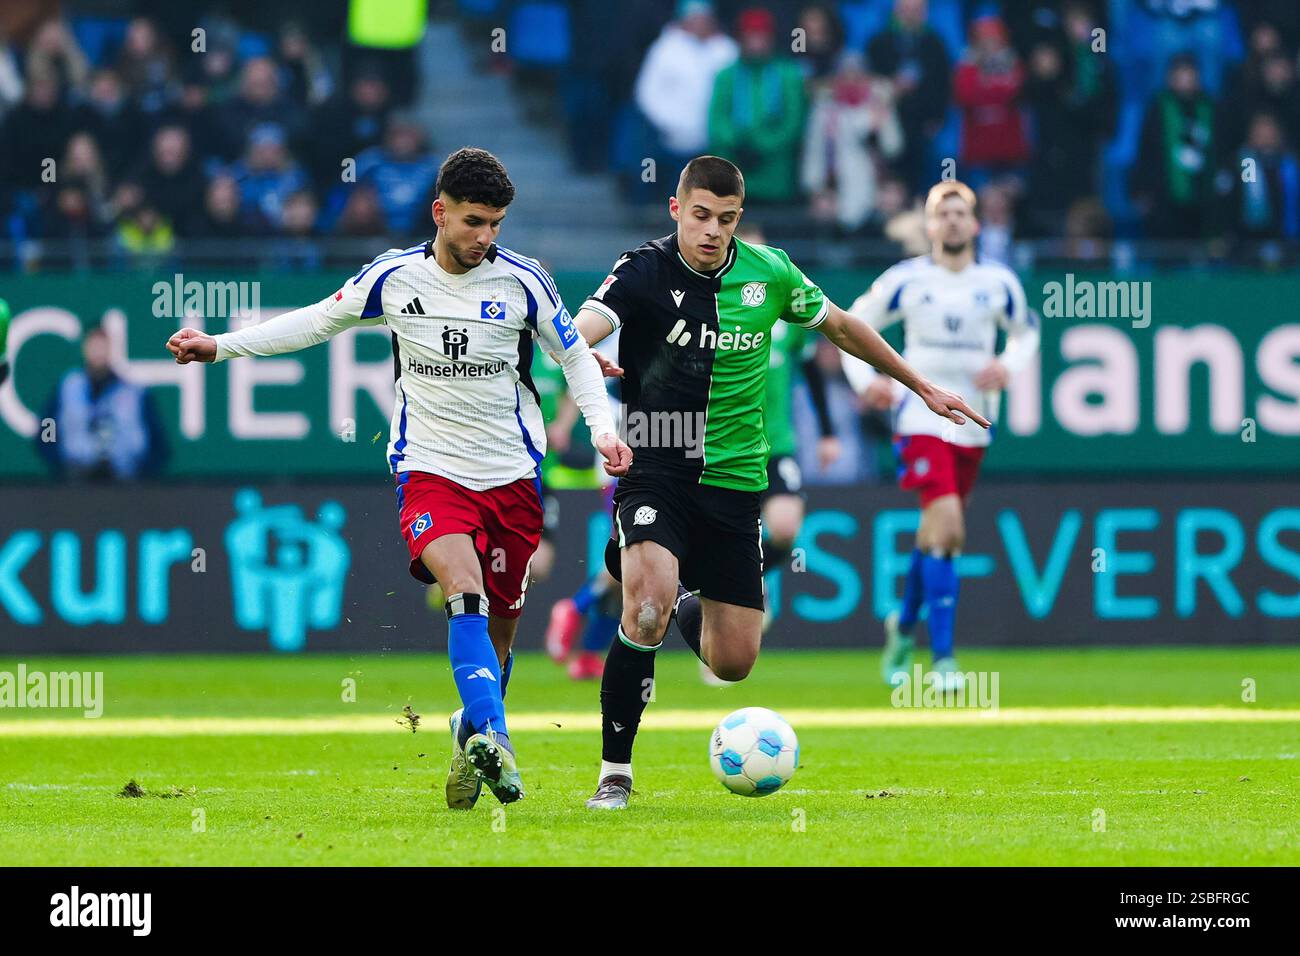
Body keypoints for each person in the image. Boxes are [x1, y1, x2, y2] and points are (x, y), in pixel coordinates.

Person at [166, 147, 631, 809]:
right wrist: (221, 346)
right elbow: (317, 321)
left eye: (497, 223)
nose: (486, 237)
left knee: (500, 638)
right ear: (439, 212)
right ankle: (495, 738)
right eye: (474, 222)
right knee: (462, 591)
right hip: (429, 470)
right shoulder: (394, 277)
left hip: (511, 478)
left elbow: (578, 359)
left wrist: (601, 430)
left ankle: (469, 726)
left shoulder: (524, 283)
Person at [572, 155, 987, 809]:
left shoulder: (771, 273)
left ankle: (681, 596)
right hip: (656, 465)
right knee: (643, 609)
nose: (712, 231)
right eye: (701, 216)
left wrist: (922, 386)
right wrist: (577, 352)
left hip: (738, 480)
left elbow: (845, 327)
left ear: (740, 219)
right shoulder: (642, 269)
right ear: (677, 210)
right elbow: (585, 324)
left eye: (727, 219)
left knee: (733, 662)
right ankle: (614, 774)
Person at [840, 180, 1038, 690]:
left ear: (974, 224)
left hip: (973, 423)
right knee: (949, 527)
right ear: (929, 225)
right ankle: (944, 659)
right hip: (919, 418)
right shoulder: (906, 280)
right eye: (941, 214)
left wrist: (1009, 364)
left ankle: (902, 626)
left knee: (935, 535)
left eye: (959, 213)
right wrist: (870, 381)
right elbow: (850, 327)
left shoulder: (998, 282)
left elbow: (1027, 330)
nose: (951, 221)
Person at [39, 325, 170, 481]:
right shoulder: (68, 389)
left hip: (123, 480)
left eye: (103, 346)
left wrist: (142, 474)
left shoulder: (132, 392)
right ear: (84, 348)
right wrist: (58, 462)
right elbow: (47, 426)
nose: (98, 352)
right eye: (94, 346)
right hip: (76, 479)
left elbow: (157, 440)